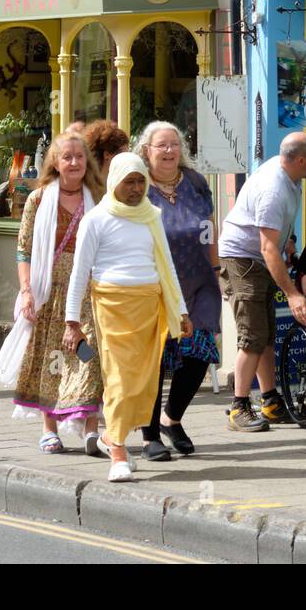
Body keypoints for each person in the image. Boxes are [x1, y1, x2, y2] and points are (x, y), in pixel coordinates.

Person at [64, 153, 191, 483]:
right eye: (129, 182)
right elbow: (80, 273)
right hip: (111, 305)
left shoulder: (152, 216)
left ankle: (109, 437)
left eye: (140, 182)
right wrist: (71, 321)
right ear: (114, 182)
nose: (136, 189)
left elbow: (166, 265)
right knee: (119, 379)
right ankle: (117, 450)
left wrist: (181, 311)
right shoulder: (95, 219)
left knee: (145, 383)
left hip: (150, 307)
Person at [217, 132, 306, 432]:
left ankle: (270, 401)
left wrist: (288, 239)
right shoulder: (274, 188)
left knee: (266, 335)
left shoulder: (289, 174)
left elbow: (274, 238)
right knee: (252, 337)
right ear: (300, 160)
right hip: (243, 259)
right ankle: (239, 408)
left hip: (257, 257)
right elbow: (267, 248)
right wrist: (292, 294)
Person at [13, 132, 106, 455]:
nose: (74, 162)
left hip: (88, 292)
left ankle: (91, 429)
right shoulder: (38, 200)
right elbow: (24, 250)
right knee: (50, 361)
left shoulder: (98, 194)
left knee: (90, 357)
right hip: (49, 291)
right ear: (55, 161)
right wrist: (26, 292)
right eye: (67, 157)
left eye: (79, 157)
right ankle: (49, 429)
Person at [135, 121, 221, 460]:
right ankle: (149, 436)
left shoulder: (196, 183)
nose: (169, 151)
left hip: (201, 282)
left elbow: (209, 228)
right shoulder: (137, 186)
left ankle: (172, 417)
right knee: (154, 361)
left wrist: (218, 270)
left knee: (200, 352)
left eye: (174, 144)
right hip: (157, 287)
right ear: (147, 150)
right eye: (161, 145)